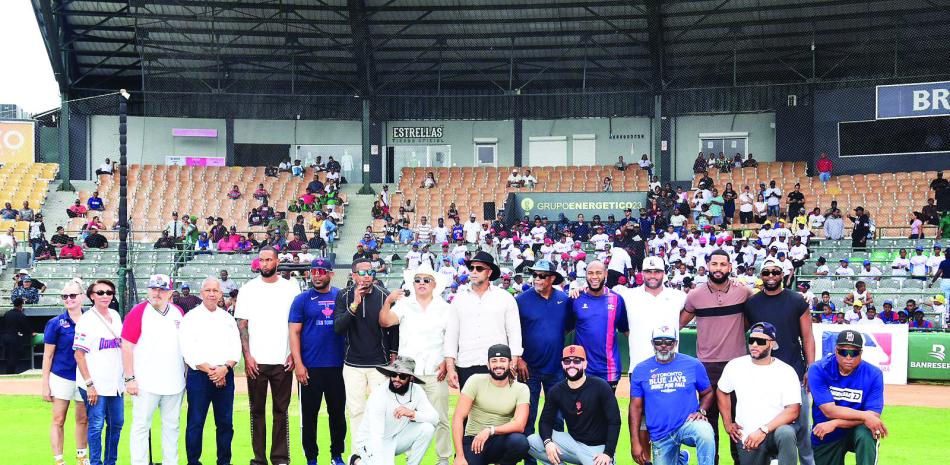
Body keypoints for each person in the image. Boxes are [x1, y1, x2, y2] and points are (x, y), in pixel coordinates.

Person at [680, 250, 751, 465]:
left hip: (737, 366)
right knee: (708, 425)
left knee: (739, 422)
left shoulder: (744, 292)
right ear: (707, 266)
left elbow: (761, 308)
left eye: (723, 264)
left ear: (730, 267)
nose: (718, 268)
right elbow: (676, 324)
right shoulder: (695, 295)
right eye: (714, 264)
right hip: (706, 367)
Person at [378, 262, 452, 465]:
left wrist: (447, 362)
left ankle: (443, 458)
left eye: (426, 280)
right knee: (404, 416)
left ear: (434, 284)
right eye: (418, 280)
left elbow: (451, 338)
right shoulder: (404, 304)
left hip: (435, 370)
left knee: (440, 417)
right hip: (407, 373)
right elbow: (385, 322)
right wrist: (388, 301)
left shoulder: (445, 308)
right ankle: (411, 456)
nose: (421, 283)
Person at [744, 258, 816, 465]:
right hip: (761, 375)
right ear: (761, 276)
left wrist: (810, 368)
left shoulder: (796, 301)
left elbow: (807, 336)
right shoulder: (752, 303)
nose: (771, 277)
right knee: (763, 425)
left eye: (775, 272)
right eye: (766, 273)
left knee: (802, 428)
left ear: (783, 274)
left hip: (794, 373)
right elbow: (748, 337)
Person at [234, 247, 301, 465]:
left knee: (281, 411)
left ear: (277, 262)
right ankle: (259, 459)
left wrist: (293, 353)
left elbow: (297, 324)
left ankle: (280, 458)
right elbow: (242, 324)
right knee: (257, 411)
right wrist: (248, 356)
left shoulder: (291, 288)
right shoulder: (248, 289)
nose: (264, 264)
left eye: (268, 260)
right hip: (257, 362)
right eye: (261, 260)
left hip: (283, 361)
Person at [121, 274, 185, 465]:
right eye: (153, 289)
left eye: (162, 289)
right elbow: (126, 346)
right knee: (141, 426)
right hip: (145, 382)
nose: (157, 293)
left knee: (172, 427)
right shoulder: (138, 312)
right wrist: (129, 378)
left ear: (170, 293)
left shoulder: (178, 312)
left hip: (174, 382)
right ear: (148, 290)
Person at [717, 322, 802, 465]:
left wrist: (763, 430)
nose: (754, 345)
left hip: (775, 433)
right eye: (751, 340)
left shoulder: (786, 371)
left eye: (760, 341)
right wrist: (727, 422)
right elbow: (722, 391)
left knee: (786, 433)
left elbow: (793, 410)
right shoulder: (735, 366)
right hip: (748, 436)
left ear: (771, 344)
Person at [334, 259, 398, 448]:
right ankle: (358, 454)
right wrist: (355, 304)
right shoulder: (344, 296)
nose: (367, 276)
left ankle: (380, 453)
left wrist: (393, 355)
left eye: (370, 272)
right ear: (353, 275)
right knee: (356, 411)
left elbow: (394, 329)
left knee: (382, 411)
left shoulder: (383, 296)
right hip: (353, 364)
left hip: (379, 364)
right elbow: (338, 327)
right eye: (361, 272)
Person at [289, 258, 347, 465]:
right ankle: (311, 457)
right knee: (309, 416)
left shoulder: (341, 296)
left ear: (331, 274)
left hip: (338, 366)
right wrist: (299, 364)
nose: (317, 275)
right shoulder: (301, 300)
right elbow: (294, 333)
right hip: (310, 367)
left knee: (337, 415)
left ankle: (336, 455)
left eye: (322, 271)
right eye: (313, 271)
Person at [630, 325, 716, 465]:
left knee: (705, 432)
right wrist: (635, 441)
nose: (663, 346)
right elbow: (635, 407)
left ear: (675, 343)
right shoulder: (640, 370)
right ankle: (681, 459)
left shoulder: (693, 364)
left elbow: (708, 392)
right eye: (658, 342)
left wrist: (701, 411)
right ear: (652, 343)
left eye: (668, 342)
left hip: (687, 424)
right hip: (660, 433)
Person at [515, 259, 573, 463]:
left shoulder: (563, 300)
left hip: (556, 368)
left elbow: (568, 327)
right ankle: (529, 461)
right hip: (528, 368)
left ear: (552, 279)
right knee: (527, 417)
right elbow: (512, 331)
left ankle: (554, 460)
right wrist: (519, 358)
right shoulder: (521, 300)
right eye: (535, 275)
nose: (537, 279)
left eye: (542, 276)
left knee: (557, 418)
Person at [179, 277, 241, 465]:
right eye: (208, 290)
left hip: (225, 375)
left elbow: (235, 348)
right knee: (196, 423)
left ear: (221, 294)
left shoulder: (227, 318)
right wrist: (212, 372)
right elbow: (188, 351)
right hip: (199, 377)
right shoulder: (191, 318)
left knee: (225, 424)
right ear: (201, 293)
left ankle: (224, 461)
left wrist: (224, 369)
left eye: (216, 290)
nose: (212, 294)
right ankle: (193, 461)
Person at [527, 345, 620, 465]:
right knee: (531, 441)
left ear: (585, 364)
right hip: (572, 443)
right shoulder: (556, 390)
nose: (571, 365)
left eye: (577, 361)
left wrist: (608, 453)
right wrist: (548, 443)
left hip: (597, 449)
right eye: (567, 361)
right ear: (562, 364)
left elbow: (614, 421)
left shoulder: (600, 386)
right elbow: (545, 422)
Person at [444, 251, 523, 390]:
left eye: (479, 268)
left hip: (498, 364)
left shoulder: (505, 298)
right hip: (466, 363)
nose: (474, 272)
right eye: (472, 268)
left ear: (489, 272)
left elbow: (514, 332)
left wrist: (514, 362)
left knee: (500, 409)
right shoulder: (459, 300)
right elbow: (451, 335)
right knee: (469, 409)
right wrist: (450, 368)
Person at [808, 330, 886, 465]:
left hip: (853, 429)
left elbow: (873, 415)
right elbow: (829, 410)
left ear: (861, 353)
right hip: (826, 433)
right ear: (835, 350)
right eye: (843, 352)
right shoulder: (818, 369)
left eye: (854, 353)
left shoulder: (874, 374)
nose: (848, 357)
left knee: (866, 434)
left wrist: (836, 423)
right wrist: (865, 416)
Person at [349, 356, 438, 465]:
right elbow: (376, 435)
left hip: (396, 438)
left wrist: (413, 413)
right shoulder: (379, 395)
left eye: (402, 376)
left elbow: (435, 418)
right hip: (370, 442)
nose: (397, 379)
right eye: (393, 374)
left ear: (411, 378)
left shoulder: (416, 391)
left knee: (427, 429)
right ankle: (357, 461)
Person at [451, 344, 530, 465]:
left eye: (502, 360)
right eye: (494, 361)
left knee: (520, 442)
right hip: (474, 440)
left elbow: (519, 425)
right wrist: (460, 456)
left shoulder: (521, 388)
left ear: (510, 364)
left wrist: (490, 430)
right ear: (488, 365)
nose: (498, 365)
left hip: (500, 439)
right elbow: (458, 418)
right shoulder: (475, 380)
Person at [73, 280, 123, 465]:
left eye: (109, 292)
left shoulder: (116, 316)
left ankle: (111, 462)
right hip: (95, 383)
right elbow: (79, 355)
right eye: (100, 292)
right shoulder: (87, 320)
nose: (105, 296)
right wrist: (90, 384)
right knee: (96, 425)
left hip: (115, 383)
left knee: (116, 423)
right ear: (92, 296)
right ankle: (95, 462)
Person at [43, 279, 90, 465]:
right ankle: (59, 460)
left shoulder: (92, 320)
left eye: (72, 295)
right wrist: (45, 384)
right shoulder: (55, 323)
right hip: (61, 375)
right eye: (65, 296)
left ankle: (81, 457)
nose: (69, 299)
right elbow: (47, 356)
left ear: (82, 297)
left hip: (84, 377)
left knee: (83, 418)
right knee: (58, 418)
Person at [570, 261, 629, 390]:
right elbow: (565, 328)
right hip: (582, 368)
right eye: (590, 273)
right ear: (585, 275)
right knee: (581, 409)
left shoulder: (617, 299)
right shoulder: (576, 298)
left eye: (598, 273)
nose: (594, 277)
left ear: (605, 274)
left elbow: (626, 331)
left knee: (607, 409)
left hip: (609, 369)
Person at [2, 297, 30, 374]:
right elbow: (27, 328)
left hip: (5, 337)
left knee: (8, 356)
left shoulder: (7, 314)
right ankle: (11, 373)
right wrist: (31, 333)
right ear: (21, 305)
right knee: (13, 356)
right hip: (14, 338)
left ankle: (8, 372)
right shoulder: (21, 315)